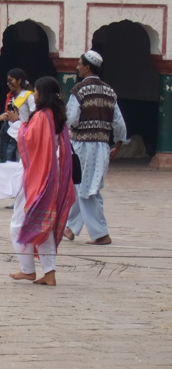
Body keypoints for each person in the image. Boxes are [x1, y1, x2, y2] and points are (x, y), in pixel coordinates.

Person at [7, 77, 76, 286]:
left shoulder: (42, 117)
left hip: (39, 176)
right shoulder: (58, 117)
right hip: (53, 173)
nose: (33, 95)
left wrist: (16, 121)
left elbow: (27, 139)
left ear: (42, 94)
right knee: (44, 222)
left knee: (20, 223)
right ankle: (49, 272)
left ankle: (28, 269)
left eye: (35, 91)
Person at [64, 50, 127, 245]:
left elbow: (71, 119)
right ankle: (71, 227)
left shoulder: (79, 91)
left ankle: (101, 234)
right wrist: (117, 145)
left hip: (83, 146)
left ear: (87, 67)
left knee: (86, 189)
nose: (77, 67)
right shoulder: (110, 91)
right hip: (101, 146)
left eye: (79, 64)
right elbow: (119, 123)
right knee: (82, 186)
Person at [0, 68, 36, 201]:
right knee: (11, 163)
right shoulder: (10, 96)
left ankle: (22, 196)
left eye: (11, 80)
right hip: (11, 134)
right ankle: (15, 195)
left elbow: (35, 114)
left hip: (23, 133)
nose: (8, 83)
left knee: (21, 164)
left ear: (19, 81)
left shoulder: (28, 96)